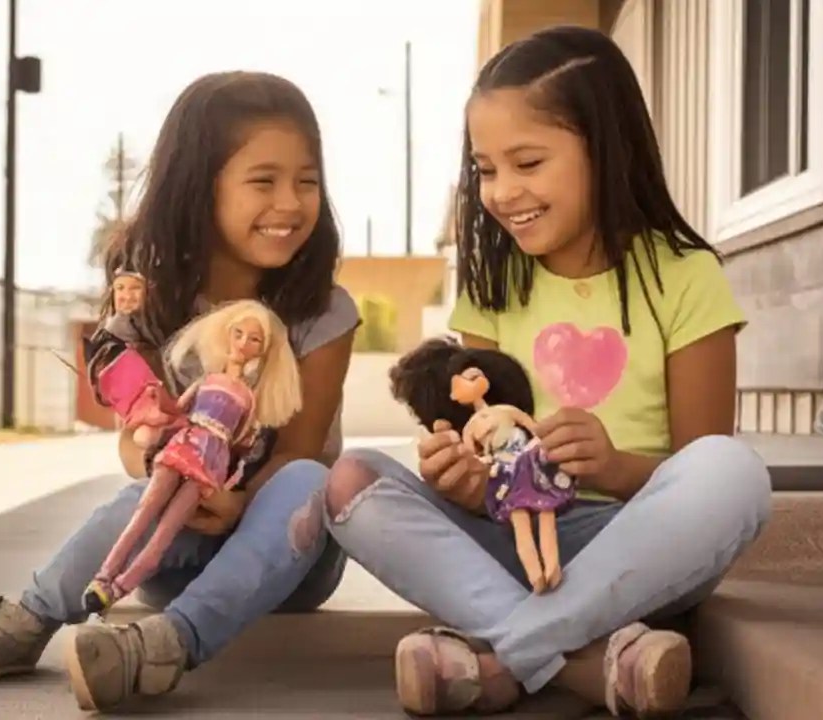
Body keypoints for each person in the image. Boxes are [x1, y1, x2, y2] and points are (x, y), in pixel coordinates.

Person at [323, 26, 771, 718]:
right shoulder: (494, 288)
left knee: (733, 472)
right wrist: (466, 482)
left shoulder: (686, 278)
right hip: (515, 542)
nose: (503, 192)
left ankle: (504, 661)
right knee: (349, 481)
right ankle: (590, 664)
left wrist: (614, 466)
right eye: (486, 168)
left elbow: (696, 465)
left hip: (635, 544)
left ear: (606, 147)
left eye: (528, 162)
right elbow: (486, 463)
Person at [0, 70, 361, 712]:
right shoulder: (149, 310)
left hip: (289, 549)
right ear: (199, 188)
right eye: (263, 181)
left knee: (308, 483)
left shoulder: (323, 313)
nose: (290, 203)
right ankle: (28, 618)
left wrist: (239, 505)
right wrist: (164, 461)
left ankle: (164, 647)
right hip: (171, 545)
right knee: (138, 492)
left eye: (307, 181)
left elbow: (300, 448)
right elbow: (133, 441)